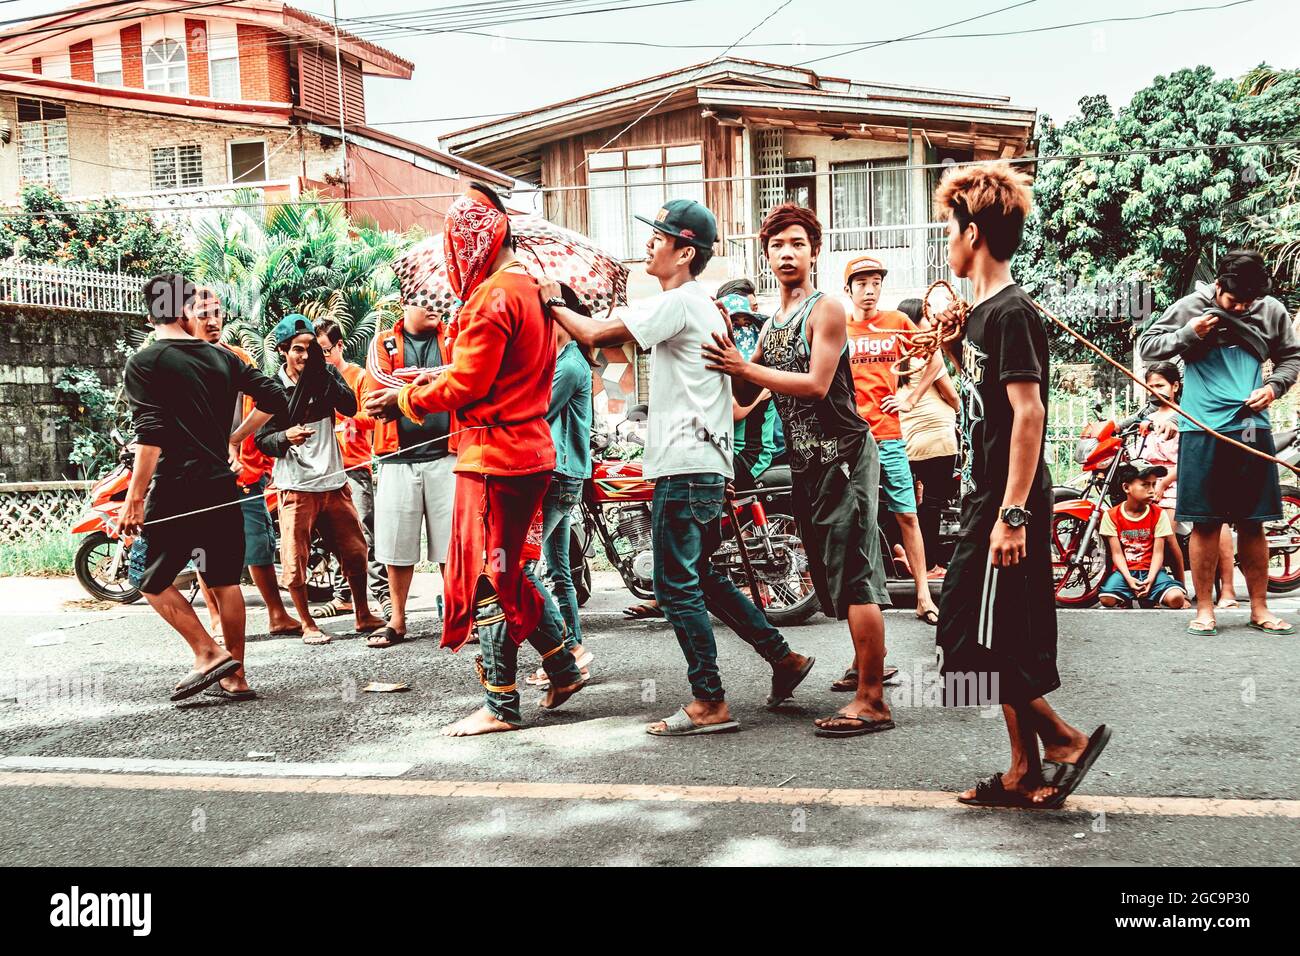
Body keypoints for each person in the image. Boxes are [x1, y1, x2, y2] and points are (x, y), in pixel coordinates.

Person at [544, 197, 815, 737]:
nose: (650, 244)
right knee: (702, 576)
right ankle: (782, 658)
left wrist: (551, 302)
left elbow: (597, 335)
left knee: (674, 585)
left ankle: (709, 700)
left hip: (687, 466)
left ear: (684, 251)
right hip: (702, 463)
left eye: (659, 237)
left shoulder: (681, 301)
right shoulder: (698, 305)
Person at [365, 183, 588, 736]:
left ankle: (501, 704)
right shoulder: (533, 289)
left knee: (492, 577)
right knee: (509, 570)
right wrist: (427, 378)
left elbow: (470, 382)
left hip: (495, 456)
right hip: (525, 448)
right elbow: (493, 374)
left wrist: (404, 398)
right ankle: (561, 665)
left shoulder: (492, 297)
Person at [932, 162, 1109, 809]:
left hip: (1007, 503)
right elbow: (988, 405)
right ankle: (1022, 772)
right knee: (991, 634)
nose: (944, 243)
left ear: (972, 232)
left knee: (964, 637)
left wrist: (1012, 514)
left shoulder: (1012, 313)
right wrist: (954, 350)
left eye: (948, 230)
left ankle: (1062, 740)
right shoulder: (979, 316)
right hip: (986, 496)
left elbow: (1029, 413)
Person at [701, 203, 893, 738]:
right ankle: (868, 669)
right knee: (836, 575)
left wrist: (745, 367)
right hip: (808, 464)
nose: (788, 253)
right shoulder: (771, 325)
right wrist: (725, 355)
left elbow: (813, 383)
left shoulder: (825, 309)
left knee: (856, 575)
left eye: (798, 244)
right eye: (778, 245)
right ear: (766, 256)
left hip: (844, 457)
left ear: (814, 251)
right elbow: (744, 398)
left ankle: (872, 699)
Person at [120, 274, 287, 702]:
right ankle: (237, 677)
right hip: (220, 484)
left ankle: (206, 651)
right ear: (181, 309)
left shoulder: (147, 361)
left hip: (176, 485)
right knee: (223, 580)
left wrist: (134, 498)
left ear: (152, 311)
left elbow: (151, 433)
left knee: (148, 578)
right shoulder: (222, 357)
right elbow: (275, 398)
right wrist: (235, 438)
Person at [1139, 249, 1300, 636]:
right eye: (1233, 300)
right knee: (1206, 522)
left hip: (1250, 426)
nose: (1241, 307)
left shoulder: (1271, 311)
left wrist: (1274, 388)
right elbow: (1148, 346)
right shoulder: (1191, 306)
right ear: (1217, 286)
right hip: (1200, 429)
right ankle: (1205, 610)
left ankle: (1259, 608)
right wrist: (1188, 334)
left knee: (1253, 521)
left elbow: (1291, 357)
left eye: (1248, 302)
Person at [254, 314, 385, 644]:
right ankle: (307, 623)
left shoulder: (324, 374)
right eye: (298, 349)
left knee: (355, 550)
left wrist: (324, 375)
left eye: (310, 349)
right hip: (295, 486)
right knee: (295, 559)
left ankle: (362, 613)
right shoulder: (271, 388)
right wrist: (285, 436)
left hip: (334, 481)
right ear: (284, 350)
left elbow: (351, 406)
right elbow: (262, 439)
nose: (304, 356)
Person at [187, 286, 302, 643]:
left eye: (217, 312)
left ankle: (276, 612)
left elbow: (269, 397)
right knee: (203, 549)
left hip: (243, 470)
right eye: (203, 314)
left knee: (257, 542)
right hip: (198, 472)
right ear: (185, 318)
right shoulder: (180, 360)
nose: (212, 320)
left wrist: (237, 440)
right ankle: (216, 617)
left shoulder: (235, 356)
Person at [842, 257, 943, 626]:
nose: (869, 290)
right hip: (853, 442)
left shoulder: (897, 324)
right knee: (860, 521)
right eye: (862, 283)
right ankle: (866, 601)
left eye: (875, 283)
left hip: (889, 436)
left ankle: (923, 595)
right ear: (848, 289)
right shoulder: (839, 328)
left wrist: (909, 399)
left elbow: (934, 361)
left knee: (907, 514)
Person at [364, 300, 458, 648]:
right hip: (397, 457)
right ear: (406, 303)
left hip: (446, 454)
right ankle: (398, 620)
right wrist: (436, 378)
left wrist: (410, 385)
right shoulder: (383, 342)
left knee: (450, 545)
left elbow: (466, 372)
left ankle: (456, 616)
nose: (437, 307)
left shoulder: (454, 336)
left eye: (440, 300)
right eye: (426, 301)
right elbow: (378, 381)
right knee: (397, 545)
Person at [524, 284, 596, 689]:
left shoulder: (568, 367)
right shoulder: (561, 360)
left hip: (557, 477)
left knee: (527, 567)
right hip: (564, 477)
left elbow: (536, 410)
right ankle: (575, 647)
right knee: (558, 570)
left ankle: (566, 649)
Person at [315, 318, 390, 621]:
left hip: (354, 464)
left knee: (365, 532)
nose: (321, 358)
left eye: (325, 350)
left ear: (340, 345)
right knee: (333, 535)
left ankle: (382, 592)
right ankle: (342, 595)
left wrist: (351, 421)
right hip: (325, 468)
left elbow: (376, 415)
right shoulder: (315, 379)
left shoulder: (358, 376)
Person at [896, 296, 960, 580]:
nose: (932, 322)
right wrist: (958, 407)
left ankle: (902, 550)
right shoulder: (926, 354)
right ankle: (931, 564)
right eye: (926, 317)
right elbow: (953, 396)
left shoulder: (897, 357)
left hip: (907, 438)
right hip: (937, 438)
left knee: (908, 503)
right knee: (933, 503)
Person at [1097, 462, 1189, 609]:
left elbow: (1158, 553)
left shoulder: (1159, 514)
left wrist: (1150, 580)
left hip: (1152, 572)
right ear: (1126, 487)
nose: (1152, 491)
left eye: (1153, 485)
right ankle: (1133, 595)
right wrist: (1129, 578)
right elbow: (1117, 554)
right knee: (1106, 600)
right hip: (1125, 572)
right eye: (1145, 485)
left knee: (1176, 599)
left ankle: (1150, 593)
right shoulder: (1111, 515)